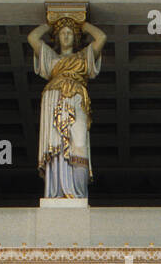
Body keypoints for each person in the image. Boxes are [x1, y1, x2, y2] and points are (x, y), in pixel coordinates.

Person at [27, 15, 106, 199]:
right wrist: (51, 23)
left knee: (79, 144)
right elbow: (32, 38)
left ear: (76, 37)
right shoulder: (51, 57)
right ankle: (57, 192)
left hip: (77, 98)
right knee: (57, 146)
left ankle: (78, 193)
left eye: (70, 33)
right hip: (53, 98)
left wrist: (81, 23)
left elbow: (101, 38)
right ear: (57, 37)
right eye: (62, 33)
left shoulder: (83, 56)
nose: (66, 36)